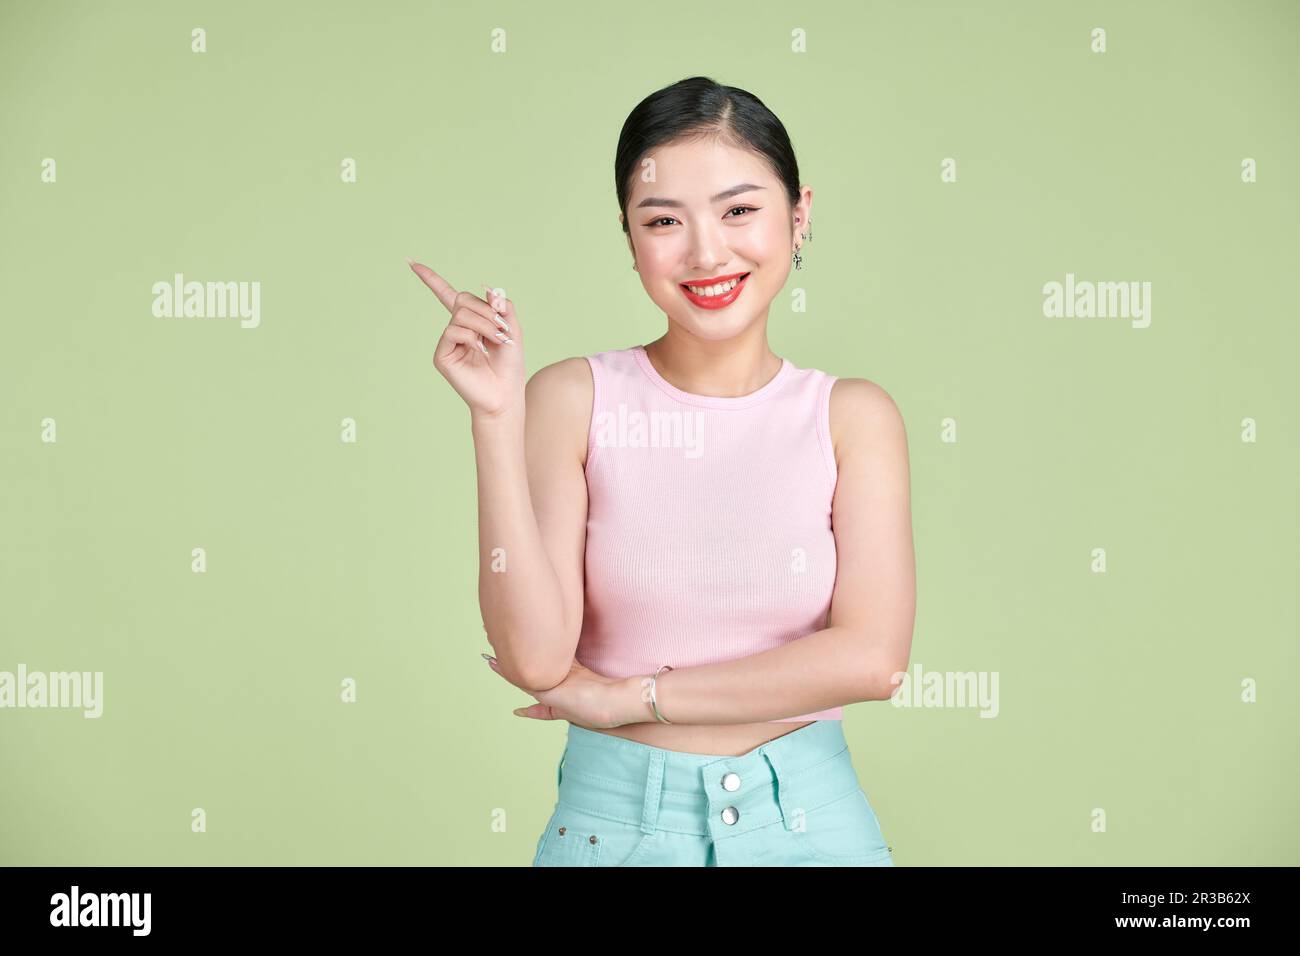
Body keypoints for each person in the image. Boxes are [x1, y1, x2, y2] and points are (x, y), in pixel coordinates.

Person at [407, 75, 915, 866]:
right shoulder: (574, 398)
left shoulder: (852, 416)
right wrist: (497, 419)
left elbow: (872, 659)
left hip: (812, 829)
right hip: (613, 828)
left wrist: (629, 698)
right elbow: (538, 660)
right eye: (664, 220)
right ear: (629, 235)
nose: (707, 251)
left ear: (800, 213)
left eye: (739, 209)